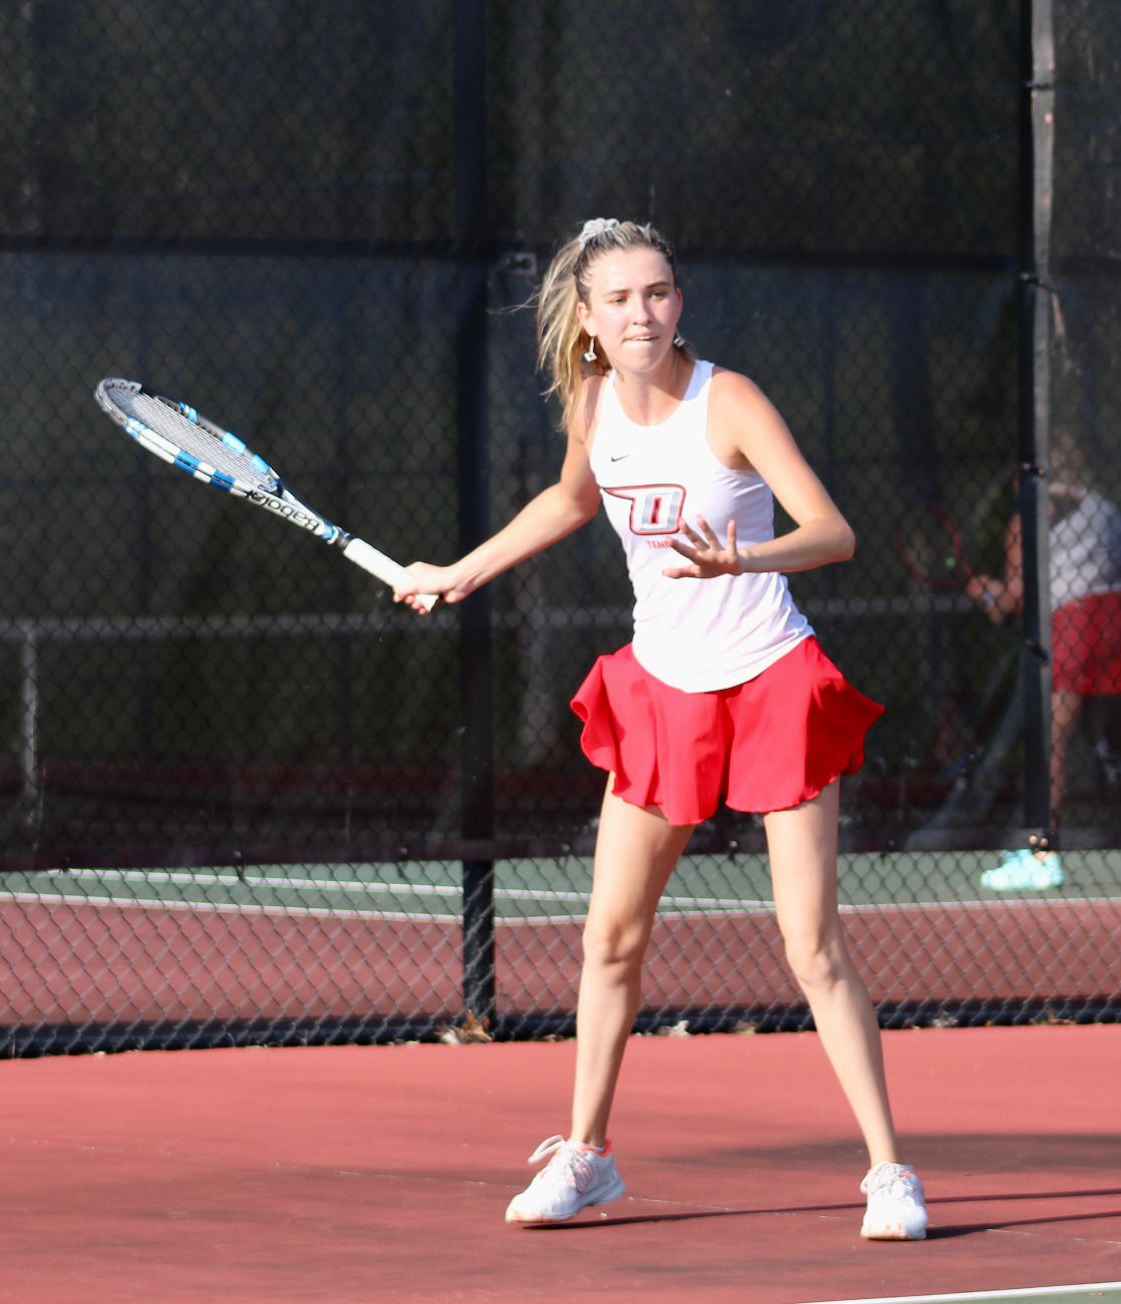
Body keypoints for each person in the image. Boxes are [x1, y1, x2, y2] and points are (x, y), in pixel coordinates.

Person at [390, 219, 927, 1242]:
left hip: (769, 679)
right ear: (587, 319)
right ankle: (586, 1156)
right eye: (623, 299)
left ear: (678, 301)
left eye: (659, 293)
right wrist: (458, 569)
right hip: (663, 691)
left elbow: (834, 531)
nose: (644, 313)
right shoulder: (592, 400)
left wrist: (744, 558)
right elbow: (569, 497)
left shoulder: (728, 399)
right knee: (608, 938)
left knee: (810, 945)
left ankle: (888, 1171)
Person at [964, 453, 1121, 890]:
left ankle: (1043, 855)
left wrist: (986, 595)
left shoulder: (1028, 515)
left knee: (1052, 742)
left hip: (1080, 621)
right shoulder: (1106, 507)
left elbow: (1015, 600)